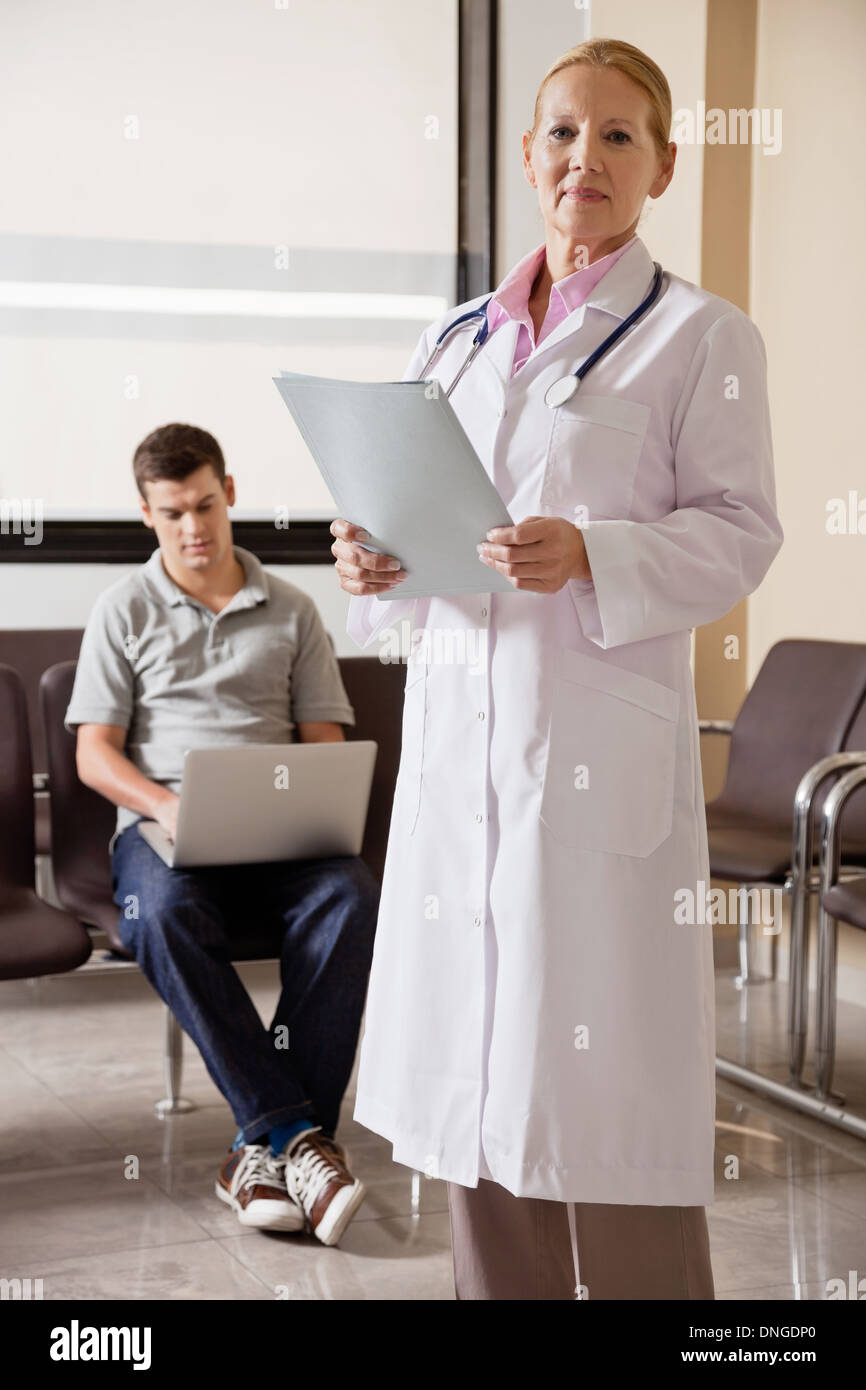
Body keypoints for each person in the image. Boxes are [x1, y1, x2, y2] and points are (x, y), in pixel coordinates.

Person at [330, 38, 784, 1299]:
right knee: (482, 1090)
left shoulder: (699, 336)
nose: (584, 157)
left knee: (601, 1100)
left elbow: (742, 533)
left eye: (617, 135)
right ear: (527, 157)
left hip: (590, 772)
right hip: (461, 758)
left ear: (662, 165)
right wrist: (379, 565)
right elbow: (426, 536)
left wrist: (593, 553)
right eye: (561, 134)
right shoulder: (454, 343)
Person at [65, 423, 379, 1247]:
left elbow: (323, 745)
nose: (193, 528)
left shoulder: (295, 610)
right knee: (160, 912)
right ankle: (297, 1137)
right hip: (160, 831)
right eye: (172, 514)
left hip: (277, 831)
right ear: (147, 514)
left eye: (205, 505)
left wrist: (317, 801)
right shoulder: (122, 610)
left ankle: (262, 1151)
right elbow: (94, 756)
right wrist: (167, 805)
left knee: (351, 894)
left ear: (230, 492)